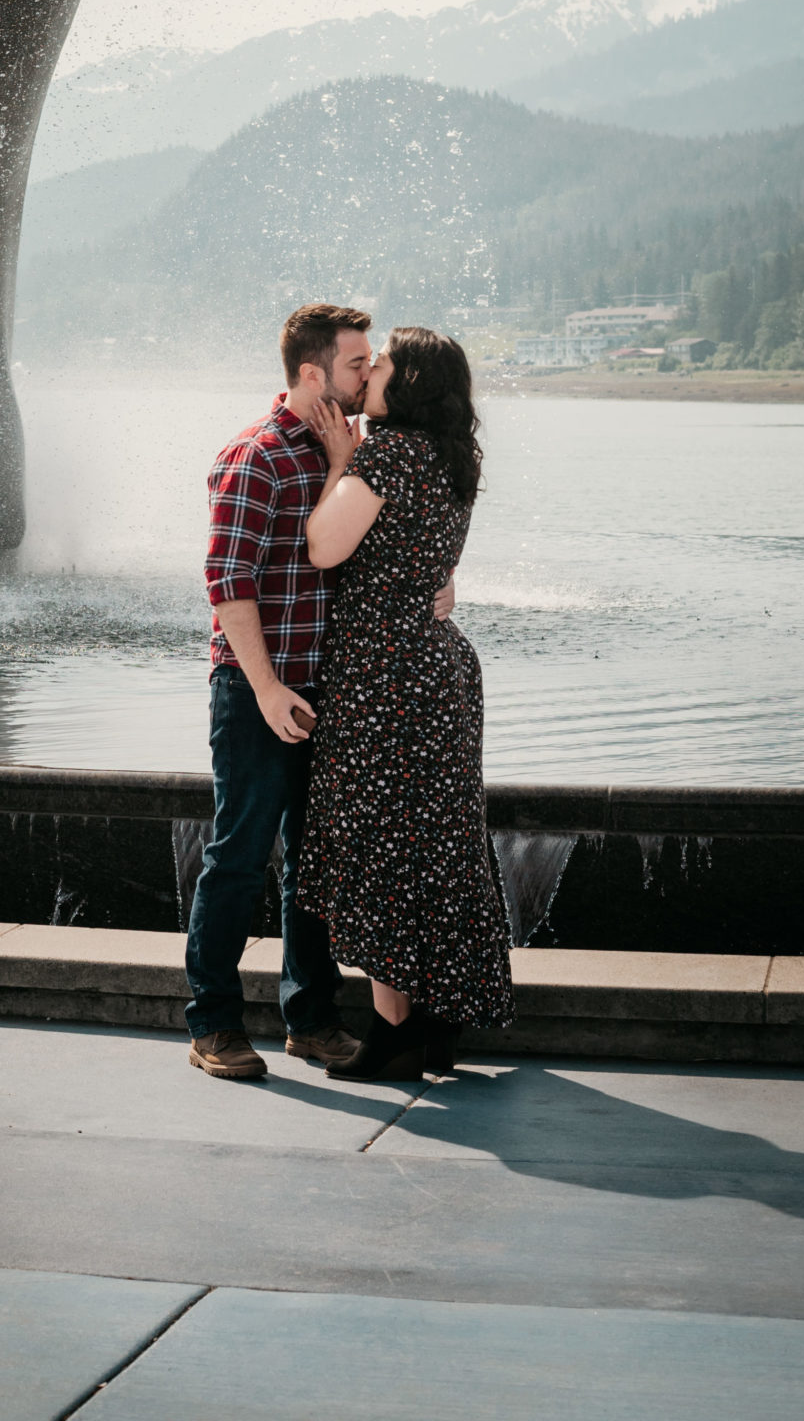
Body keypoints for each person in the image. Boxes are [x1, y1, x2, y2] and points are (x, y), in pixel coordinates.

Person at [298, 326, 515, 1080]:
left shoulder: (385, 453)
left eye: (381, 363)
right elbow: (430, 567)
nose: (372, 373)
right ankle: (436, 1026)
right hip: (439, 670)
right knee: (437, 844)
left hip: (382, 674)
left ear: (410, 380)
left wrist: (338, 461)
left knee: (377, 842)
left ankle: (392, 1034)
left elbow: (324, 547)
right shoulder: (456, 458)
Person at [182, 302, 375, 1080]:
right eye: (357, 363)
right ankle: (214, 1027)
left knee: (312, 860)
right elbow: (227, 584)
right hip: (257, 689)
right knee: (237, 855)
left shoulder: (345, 450)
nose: (369, 374)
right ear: (310, 372)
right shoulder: (255, 455)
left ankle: (310, 1018)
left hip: (326, 688)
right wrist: (263, 688)